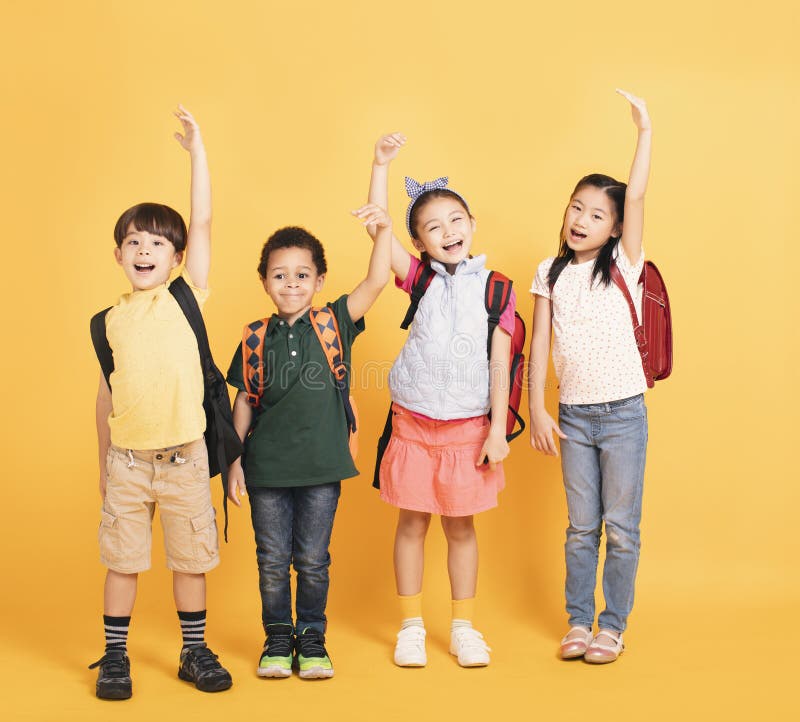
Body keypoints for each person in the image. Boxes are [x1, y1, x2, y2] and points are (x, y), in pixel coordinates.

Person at [89, 107, 232, 699]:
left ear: (175, 259)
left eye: (156, 243)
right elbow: (105, 395)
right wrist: (103, 465)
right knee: (122, 561)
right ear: (118, 254)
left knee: (189, 561)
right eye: (132, 242)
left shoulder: (184, 294)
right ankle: (115, 655)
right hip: (127, 462)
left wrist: (197, 151)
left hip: (185, 458)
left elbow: (201, 219)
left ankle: (193, 651)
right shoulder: (107, 322)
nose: (143, 249)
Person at [225, 203, 392, 679]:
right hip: (266, 471)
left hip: (322, 467)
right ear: (264, 281)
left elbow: (376, 281)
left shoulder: (334, 323)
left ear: (319, 281)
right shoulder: (255, 338)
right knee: (273, 561)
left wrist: (381, 229)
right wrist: (234, 461)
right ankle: (278, 638)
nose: (291, 284)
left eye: (302, 274)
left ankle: (312, 639)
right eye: (280, 275)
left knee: (313, 561)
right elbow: (244, 402)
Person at [368, 133, 516, 668]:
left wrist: (498, 429)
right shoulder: (421, 280)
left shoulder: (497, 288)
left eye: (456, 220)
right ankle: (411, 626)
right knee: (411, 523)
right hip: (413, 424)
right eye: (432, 227)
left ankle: (462, 628)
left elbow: (501, 362)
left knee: (460, 527)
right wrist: (380, 166)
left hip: (467, 428)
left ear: (472, 225)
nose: (447, 231)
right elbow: (380, 241)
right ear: (421, 243)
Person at [528, 89, 653, 664]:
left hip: (623, 414)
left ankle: (613, 626)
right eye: (576, 207)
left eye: (597, 214)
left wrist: (643, 132)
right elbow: (539, 344)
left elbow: (641, 192)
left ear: (616, 227)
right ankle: (579, 621)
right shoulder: (550, 272)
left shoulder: (624, 264)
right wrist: (536, 409)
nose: (582, 219)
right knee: (582, 529)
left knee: (620, 528)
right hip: (575, 417)